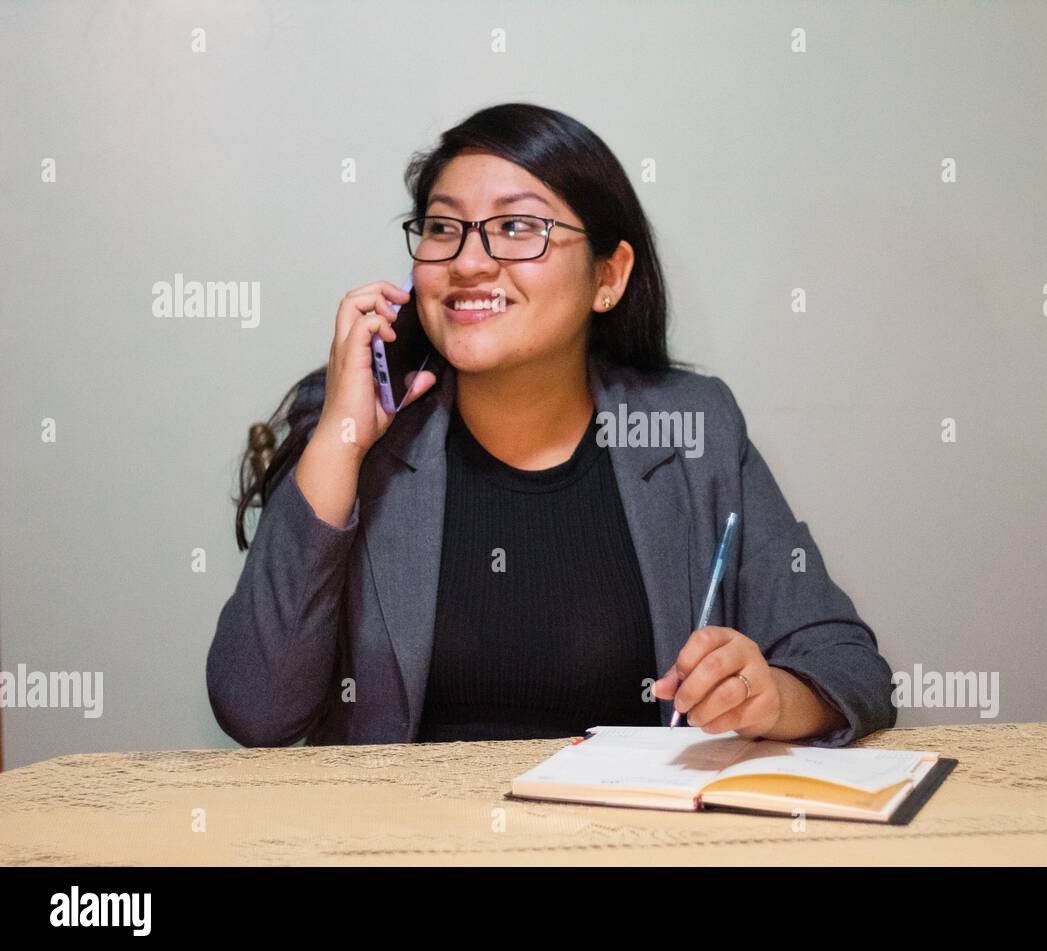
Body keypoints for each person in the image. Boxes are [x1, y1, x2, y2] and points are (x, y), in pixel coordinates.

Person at [207, 103, 897, 749]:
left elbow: (849, 667)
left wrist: (767, 697)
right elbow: (256, 709)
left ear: (609, 275)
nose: (469, 262)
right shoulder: (357, 431)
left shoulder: (693, 429)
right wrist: (341, 440)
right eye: (443, 228)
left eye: (516, 227)